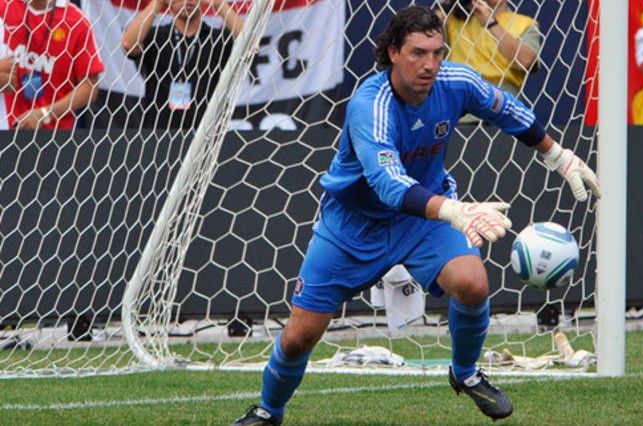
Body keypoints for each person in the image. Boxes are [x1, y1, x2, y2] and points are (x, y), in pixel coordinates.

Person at [230, 6, 600, 426]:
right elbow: (388, 183)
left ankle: (465, 373)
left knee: (472, 283)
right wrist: (456, 211)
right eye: (418, 53)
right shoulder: (370, 104)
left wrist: (559, 156)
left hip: (422, 219)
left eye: (438, 52)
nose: (430, 64)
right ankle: (267, 411)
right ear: (392, 53)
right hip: (353, 225)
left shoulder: (454, 80)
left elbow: (508, 111)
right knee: (299, 336)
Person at [121, 0, 243, 129]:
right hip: (158, 134)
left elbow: (250, 43)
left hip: (206, 135)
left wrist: (219, 5)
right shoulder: (156, 36)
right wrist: (157, 4)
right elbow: (129, 44)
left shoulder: (219, 39)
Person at [0, 0, 104, 129]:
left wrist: (45, 114)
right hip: (6, 129)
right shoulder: (5, 7)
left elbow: (90, 87)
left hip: (55, 136)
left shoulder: (76, 21)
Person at [438, 0, 541, 97]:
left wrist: (490, 22)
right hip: (458, 94)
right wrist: (446, 7)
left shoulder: (525, 23)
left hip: (501, 97)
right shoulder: (453, 19)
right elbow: (429, 42)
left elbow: (525, 62)